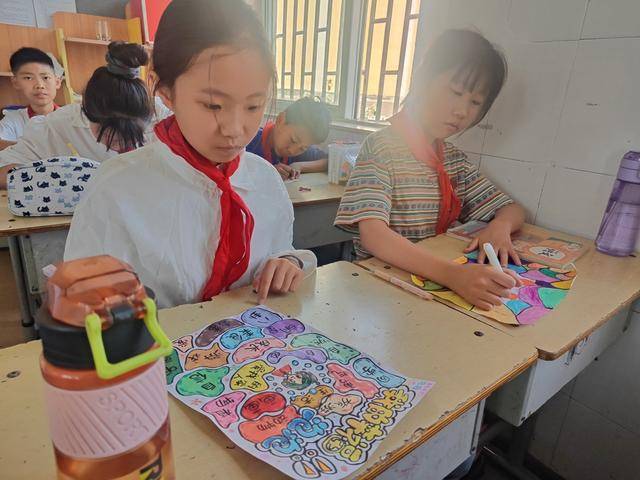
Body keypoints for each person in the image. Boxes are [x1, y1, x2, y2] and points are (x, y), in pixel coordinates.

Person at [64, 0, 317, 309]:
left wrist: (288, 262)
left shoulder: (265, 180)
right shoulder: (116, 190)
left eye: (254, 105)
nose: (234, 130)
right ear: (165, 91)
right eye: (213, 105)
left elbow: (280, 249)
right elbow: (85, 306)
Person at [335, 29, 526, 311]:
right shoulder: (381, 147)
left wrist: (500, 227)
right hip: (381, 290)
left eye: (475, 102)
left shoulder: (453, 160)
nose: (462, 111)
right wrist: (453, 275)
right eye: (456, 92)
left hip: (434, 287)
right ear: (423, 80)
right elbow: (374, 236)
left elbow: (513, 209)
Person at [0, 41, 164, 188]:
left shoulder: (165, 117)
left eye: (130, 133)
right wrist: (62, 178)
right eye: (107, 132)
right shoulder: (59, 125)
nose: (119, 143)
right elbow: (4, 170)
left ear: (148, 116)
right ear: (86, 113)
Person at [247, 97, 330, 180]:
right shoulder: (249, 142)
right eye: (293, 140)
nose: (292, 151)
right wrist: (267, 173)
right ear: (281, 120)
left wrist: (300, 166)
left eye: (303, 148)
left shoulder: (299, 147)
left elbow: (330, 161)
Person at [0, 47, 62, 144]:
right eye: (28, 78)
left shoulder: (73, 117)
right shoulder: (12, 121)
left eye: (45, 77)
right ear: (15, 82)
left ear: (57, 82)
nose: (39, 85)